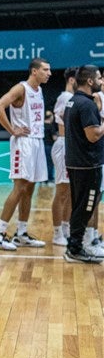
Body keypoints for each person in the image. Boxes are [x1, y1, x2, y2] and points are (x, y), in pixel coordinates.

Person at [0, 58, 51, 250]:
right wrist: (12, 130)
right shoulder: (21, 88)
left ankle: (21, 233)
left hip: (37, 140)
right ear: (34, 71)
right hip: (23, 143)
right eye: (45, 70)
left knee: (29, 188)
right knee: (19, 187)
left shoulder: (39, 90)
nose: (49, 73)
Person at [63, 64, 104, 263]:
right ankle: (75, 248)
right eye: (99, 78)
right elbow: (93, 135)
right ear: (89, 81)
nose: (101, 81)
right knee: (86, 207)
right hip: (88, 164)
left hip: (76, 162)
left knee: (80, 206)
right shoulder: (86, 104)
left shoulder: (73, 101)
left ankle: (76, 246)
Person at [51, 67, 77, 246]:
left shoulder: (72, 98)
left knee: (70, 192)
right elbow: (63, 119)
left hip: (72, 146)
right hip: (64, 145)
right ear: (71, 80)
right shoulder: (65, 97)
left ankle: (66, 228)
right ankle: (57, 232)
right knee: (62, 191)